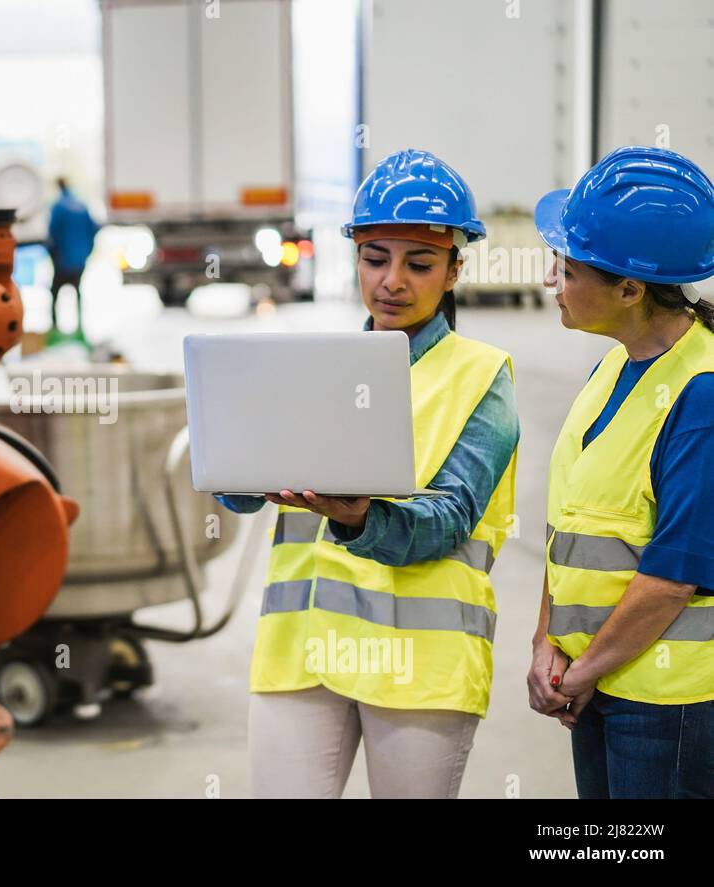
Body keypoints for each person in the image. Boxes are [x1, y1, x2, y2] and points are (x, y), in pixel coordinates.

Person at [217, 149, 519, 798]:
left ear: (454, 270)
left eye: (419, 263)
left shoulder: (482, 377)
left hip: (420, 665)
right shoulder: (315, 365)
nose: (392, 281)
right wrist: (235, 463)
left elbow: (450, 518)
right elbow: (242, 494)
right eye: (375, 258)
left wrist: (359, 517)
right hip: (300, 651)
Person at [529, 145, 714, 799]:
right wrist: (547, 644)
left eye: (569, 268)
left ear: (631, 289)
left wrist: (581, 674)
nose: (553, 280)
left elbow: (672, 577)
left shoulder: (702, 393)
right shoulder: (611, 367)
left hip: (666, 701)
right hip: (596, 677)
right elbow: (571, 527)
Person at [46, 176, 99, 346]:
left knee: (55, 293)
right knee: (77, 292)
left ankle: (54, 329)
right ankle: (79, 329)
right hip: (79, 259)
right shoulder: (82, 205)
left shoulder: (58, 207)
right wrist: (86, 252)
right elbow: (93, 229)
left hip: (62, 258)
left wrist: (53, 252)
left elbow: (53, 232)